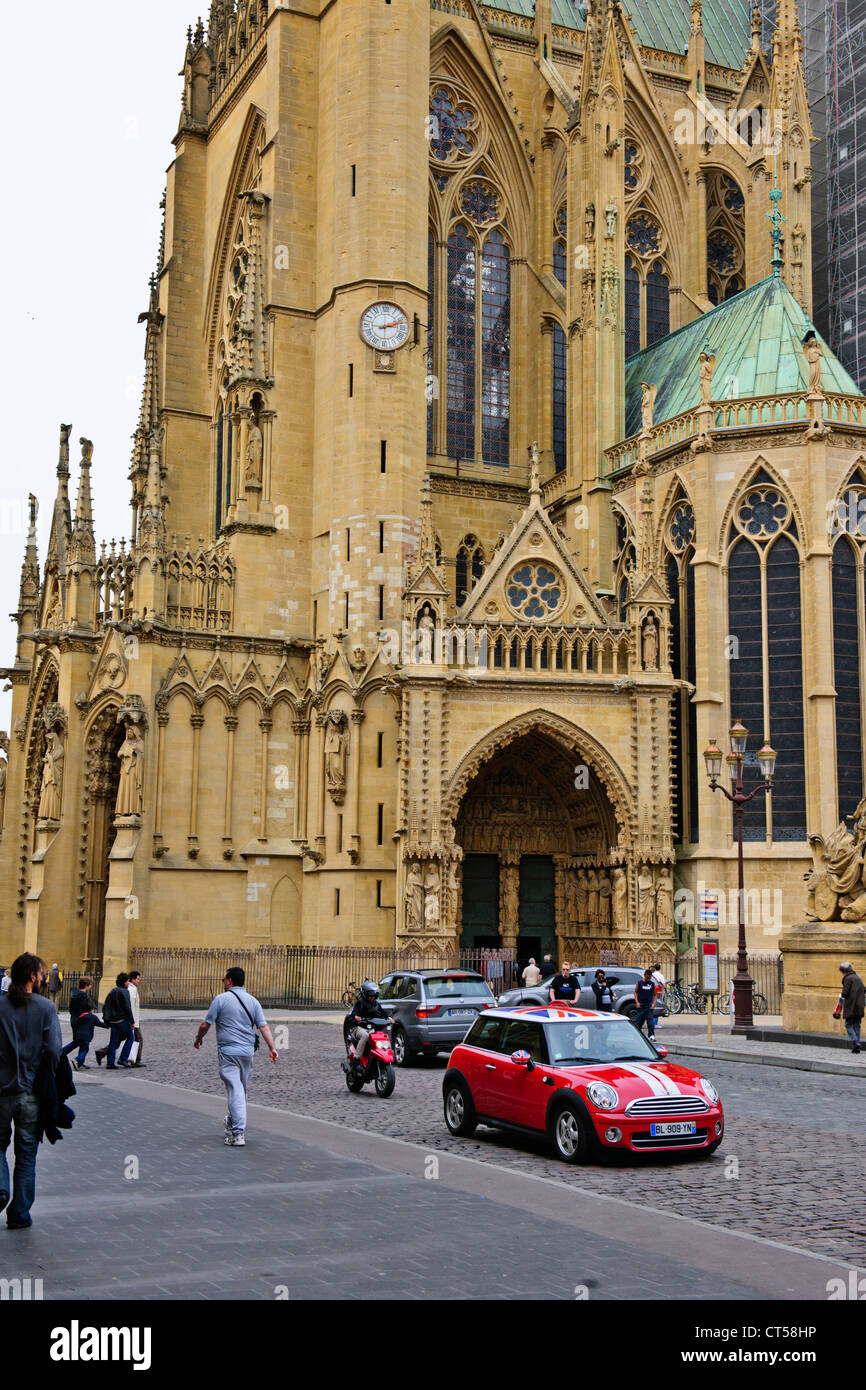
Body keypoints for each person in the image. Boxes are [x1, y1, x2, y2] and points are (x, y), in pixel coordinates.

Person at [0, 953, 62, 1229]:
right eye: (42, 974)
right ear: (33, 977)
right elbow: (54, 1052)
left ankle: (1, 1189)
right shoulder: (45, 1008)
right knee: (26, 1154)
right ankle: (20, 1213)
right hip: (31, 1093)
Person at [194, 967, 278, 1146]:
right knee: (241, 1090)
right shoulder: (253, 1001)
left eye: (224, 979)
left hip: (228, 1052)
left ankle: (238, 1133)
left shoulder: (220, 999)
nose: (223, 982)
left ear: (230, 981)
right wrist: (272, 1047)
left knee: (235, 1089)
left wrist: (198, 1038)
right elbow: (263, 1027)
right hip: (247, 1052)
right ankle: (231, 1121)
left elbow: (205, 1024)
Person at [62, 975, 109, 1070]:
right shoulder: (83, 995)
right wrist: (89, 1011)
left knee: (78, 1041)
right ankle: (73, 1057)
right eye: (90, 985)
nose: (90, 987)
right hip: (81, 1020)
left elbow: (71, 1008)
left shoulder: (74, 994)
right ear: (87, 985)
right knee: (82, 1041)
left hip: (74, 1019)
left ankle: (78, 1061)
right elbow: (86, 1007)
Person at [95, 973, 135, 1070]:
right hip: (122, 1020)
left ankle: (110, 1062)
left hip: (113, 1021)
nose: (128, 983)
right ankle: (123, 1058)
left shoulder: (112, 991)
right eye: (127, 981)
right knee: (131, 1037)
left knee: (113, 1041)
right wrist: (132, 1021)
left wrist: (107, 1020)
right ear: (125, 982)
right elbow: (127, 1008)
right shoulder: (125, 992)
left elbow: (106, 1006)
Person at [346, 981, 388, 1069]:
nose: (372, 997)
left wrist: (388, 1017)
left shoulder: (376, 1004)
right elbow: (354, 1014)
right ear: (365, 994)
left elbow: (383, 1013)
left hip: (370, 1028)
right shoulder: (359, 1003)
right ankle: (356, 1060)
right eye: (370, 995)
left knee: (381, 1036)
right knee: (365, 1036)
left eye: (374, 995)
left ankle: (377, 1055)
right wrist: (356, 1016)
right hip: (358, 1028)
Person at [837, 961, 865, 1054]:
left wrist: (840, 996)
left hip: (851, 1006)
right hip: (860, 1006)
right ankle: (856, 1046)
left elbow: (845, 993)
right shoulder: (858, 977)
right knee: (857, 1025)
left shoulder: (848, 978)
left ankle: (855, 1042)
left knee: (848, 1024)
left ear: (844, 971)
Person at [127, 969, 146, 1068]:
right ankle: (137, 1060)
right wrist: (132, 1022)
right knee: (139, 1039)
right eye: (138, 979)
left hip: (133, 1020)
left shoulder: (132, 989)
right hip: (133, 1021)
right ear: (133, 980)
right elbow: (130, 1007)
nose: (139, 981)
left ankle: (102, 1052)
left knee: (121, 1040)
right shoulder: (132, 990)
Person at [633, 968, 657, 1040]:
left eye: (650, 978)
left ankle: (651, 1035)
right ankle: (637, 1035)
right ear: (644, 976)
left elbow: (655, 994)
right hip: (641, 1005)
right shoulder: (639, 983)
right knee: (638, 1021)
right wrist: (637, 1002)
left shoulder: (652, 984)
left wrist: (653, 1004)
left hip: (649, 1006)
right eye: (647, 977)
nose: (648, 979)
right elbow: (635, 992)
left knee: (650, 1022)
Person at [651, 962, 667, 1031]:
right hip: (658, 992)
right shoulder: (660, 975)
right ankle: (655, 1023)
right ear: (660, 968)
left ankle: (651, 1022)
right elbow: (664, 985)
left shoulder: (652, 974)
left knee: (651, 1006)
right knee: (656, 1006)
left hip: (650, 991)